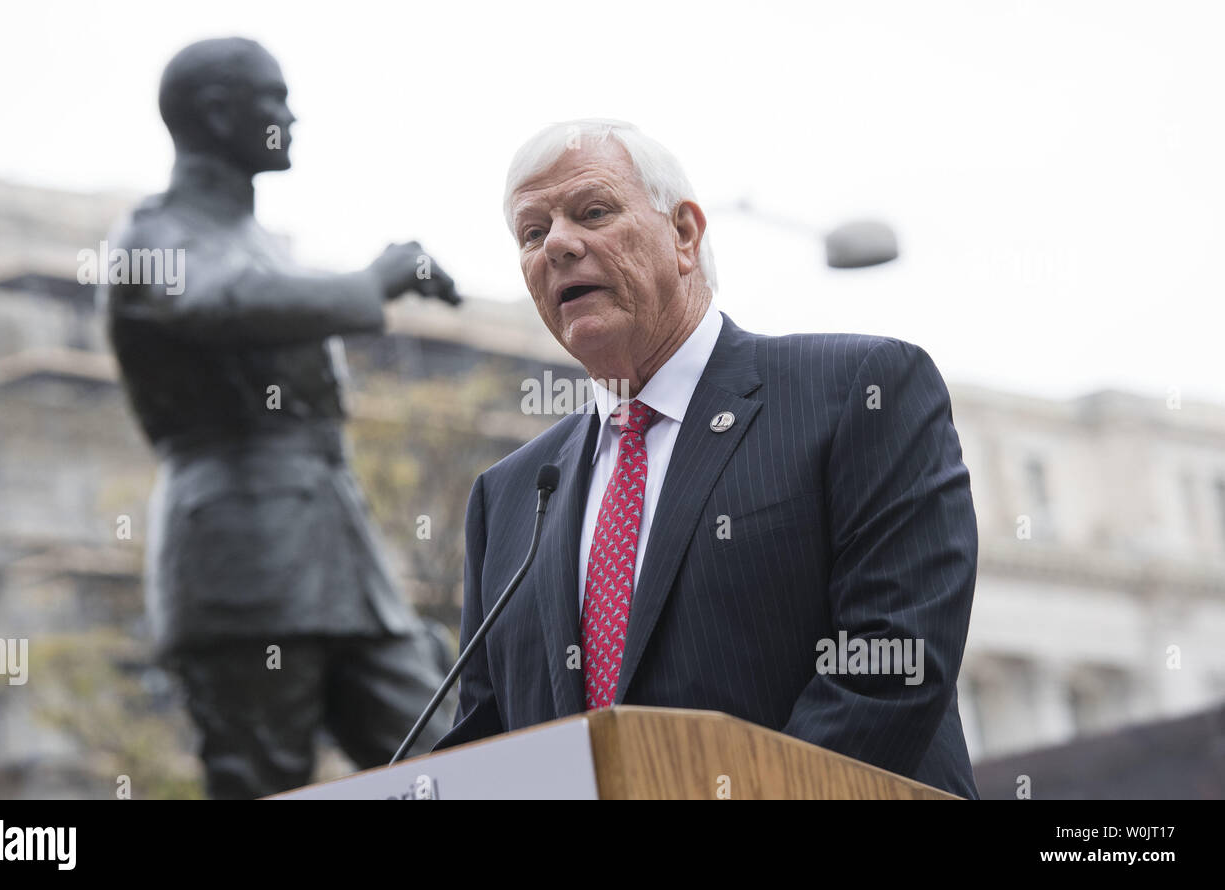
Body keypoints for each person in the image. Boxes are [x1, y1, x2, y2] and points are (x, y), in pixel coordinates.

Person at [434, 119, 979, 798]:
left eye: (592, 212)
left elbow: (891, 661)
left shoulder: (860, 391)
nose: (560, 245)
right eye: (533, 232)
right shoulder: (509, 495)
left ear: (684, 235)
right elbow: (488, 739)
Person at [101, 37, 454, 798]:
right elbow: (212, 302)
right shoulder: (153, 236)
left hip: (341, 553)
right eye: (273, 100)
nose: (290, 116)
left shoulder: (254, 242)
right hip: (240, 556)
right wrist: (370, 283)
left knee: (449, 762)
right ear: (220, 114)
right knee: (262, 779)